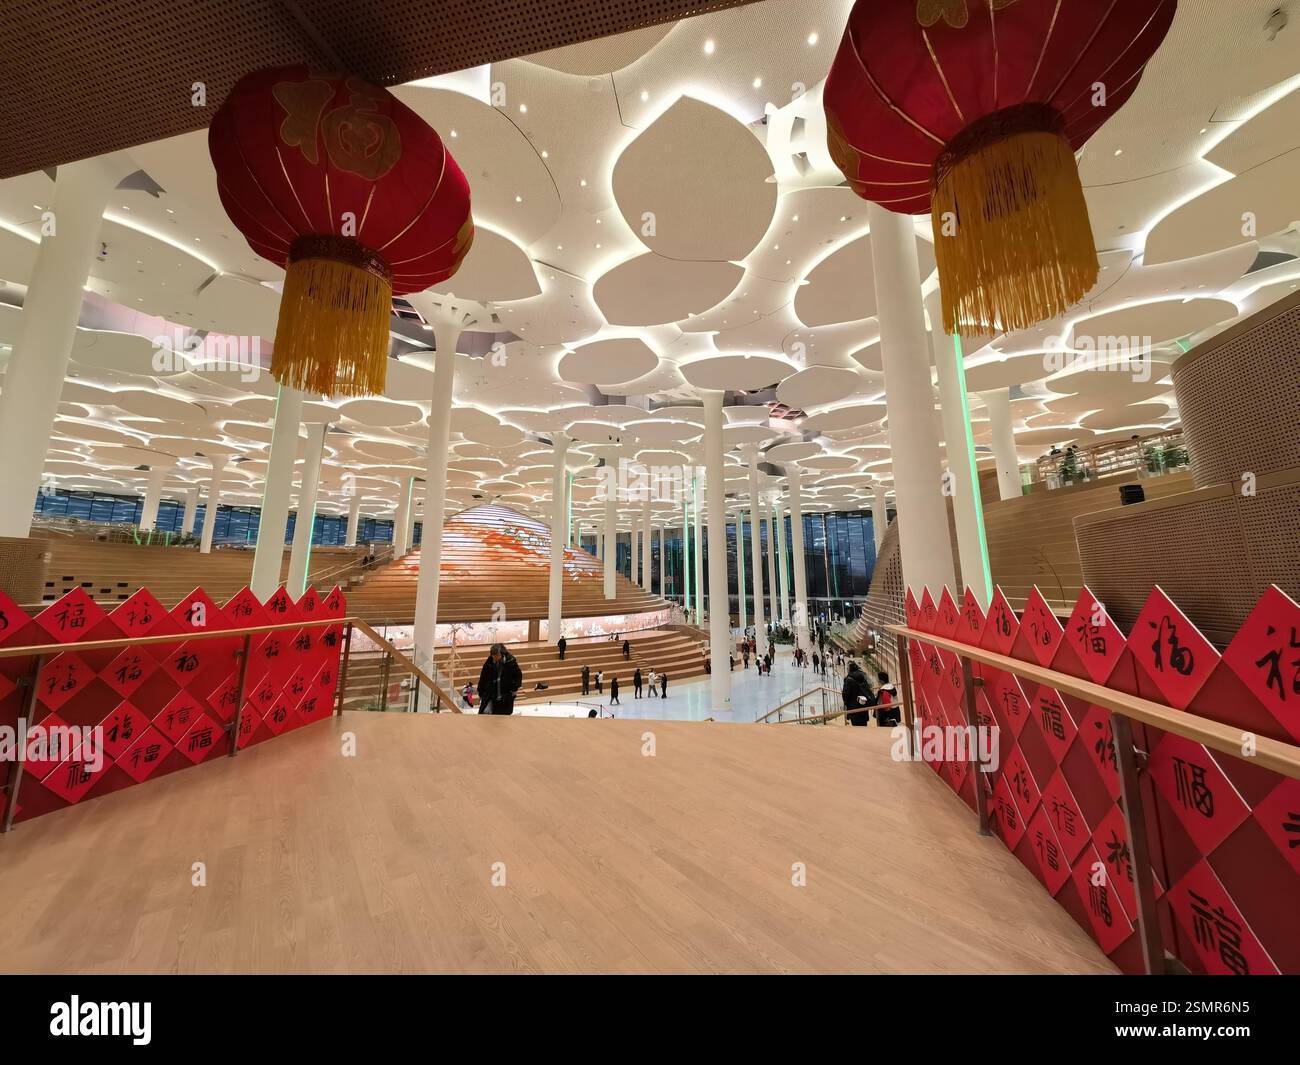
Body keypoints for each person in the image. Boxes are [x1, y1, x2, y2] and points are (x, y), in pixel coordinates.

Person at [477, 643, 522, 715]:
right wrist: (480, 693)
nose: (495, 658)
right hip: (491, 694)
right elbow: (483, 678)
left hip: (505, 695)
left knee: (503, 718)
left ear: (502, 653)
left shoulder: (510, 662)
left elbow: (517, 675)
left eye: (497, 656)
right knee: (485, 714)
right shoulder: (489, 663)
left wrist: (514, 689)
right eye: (493, 656)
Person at [843, 661, 873, 726]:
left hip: (854, 707)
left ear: (849, 669)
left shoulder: (848, 679)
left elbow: (846, 695)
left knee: (856, 726)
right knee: (864, 725)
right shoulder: (863, 677)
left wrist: (845, 701)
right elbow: (869, 686)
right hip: (863, 703)